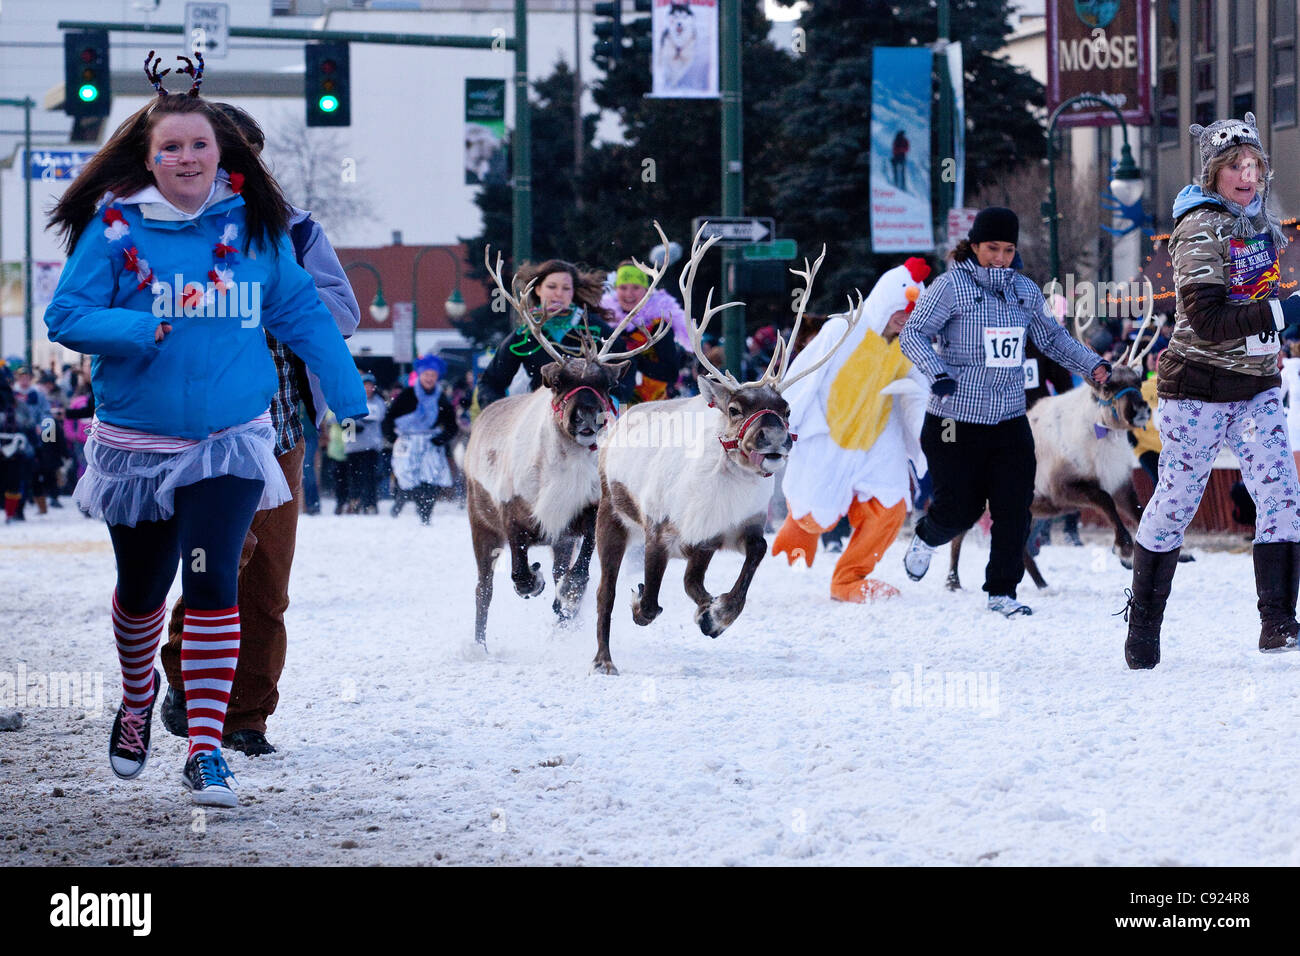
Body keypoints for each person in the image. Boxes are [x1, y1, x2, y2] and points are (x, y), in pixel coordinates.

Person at [44, 59, 368, 806]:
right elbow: (66, 317)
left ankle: (205, 745)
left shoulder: (256, 227)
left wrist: (348, 395)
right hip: (139, 442)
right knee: (143, 590)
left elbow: (303, 314)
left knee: (215, 579)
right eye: (171, 149)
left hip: (231, 436)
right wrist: (137, 325)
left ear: (222, 153)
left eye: (199, 146)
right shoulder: (115, 225)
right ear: (149, 157)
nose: (187, 159)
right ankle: (135, 703)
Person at [158, 101, 362, 757]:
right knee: (216, 565)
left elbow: (343, 312)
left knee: (267, 586)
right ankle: (184, 677)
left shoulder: (297, 232)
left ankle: (247, 719)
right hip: (207, 430)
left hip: (285, 430)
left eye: (243, 151)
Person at [1123, 113, 1300, 668]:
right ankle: (1143, 626)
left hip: (1255, 387)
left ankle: (1278, 621)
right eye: (1234, 167)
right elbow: (1203, 316)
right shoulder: (1200, 226)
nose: (1247, 176)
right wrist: (1280, 310)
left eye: (1254, 165)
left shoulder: (1259, 225)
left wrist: (1275, 332)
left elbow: (1255, 311)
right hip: (1196, 387)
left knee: (1282, 497)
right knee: (1175, 501)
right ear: (1213, 174)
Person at [898, 206, 1111, 617]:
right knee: (959, 510)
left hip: (1010, 420)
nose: (1000, 257)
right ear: (974, 246)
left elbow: (1052, 339)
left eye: (1008, 249)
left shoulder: (1024, 291)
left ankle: (1002, 592)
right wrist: (936, 372)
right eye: (991, 248)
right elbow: (913, 334)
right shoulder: (951, 288)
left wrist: (1093, 365)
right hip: (953, 422)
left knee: (1015, 505)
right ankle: (927, 536)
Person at [772, 257, 932, 602]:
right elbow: (806, 372)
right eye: (901, 308)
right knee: (815, 517)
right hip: (829, 436)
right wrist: (784, 421)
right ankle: (799, 527)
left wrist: (927, 442)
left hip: (877, 440)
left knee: (891, 508)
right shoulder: (842, 329)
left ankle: (849, 579)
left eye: (913, 311)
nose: (905, 316)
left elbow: (918, 396)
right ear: (887, 301)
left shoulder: (912, 345)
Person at [475, 259, 632, 409]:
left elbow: (624, 373)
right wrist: (501, 417)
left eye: (566, 288)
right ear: (538, 290)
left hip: (589, 420)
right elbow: (490, 383)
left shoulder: (596, 330)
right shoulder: (524, 335)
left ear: (573, 292)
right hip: (537, 422)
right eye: (551, 287)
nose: (558, 294)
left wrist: (612, 406)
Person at [384, 354, 458, 524]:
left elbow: (451, 424)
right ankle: (400, 502)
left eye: (433, 375)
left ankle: (426, 512)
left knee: (431, 478)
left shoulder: (441, 398)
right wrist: (393, 437)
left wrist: (441, 439)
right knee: (406, 476)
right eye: (426, 375)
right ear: (420, 375)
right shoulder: (407, 395)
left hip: (430, 442)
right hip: (407, 441)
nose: (429, 378)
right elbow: (390, 417)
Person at [598, 260, 685, 402]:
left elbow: (671, 372)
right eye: (623, 287)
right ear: (615, 290)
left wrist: (634, 360)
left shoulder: (658, 324)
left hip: (650, 408)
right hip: (610, 406)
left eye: (636, 287)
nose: (629, 294)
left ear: (646, 290)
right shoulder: (604, 321)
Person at [343, 372, 386, 514]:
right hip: (353, 446)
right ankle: (354, 501)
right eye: (365, 386)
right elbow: (343, 419)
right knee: (354, 476)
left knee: (370, 476)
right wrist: (352, 425)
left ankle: (370, 503)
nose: (368, 389)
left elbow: (380, 417)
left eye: (370, 386)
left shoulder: (379, 402)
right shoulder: (352, 400)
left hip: (371, 446)